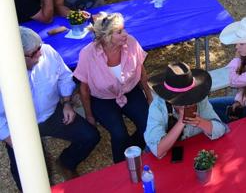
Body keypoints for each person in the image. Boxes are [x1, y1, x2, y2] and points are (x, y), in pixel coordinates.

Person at [2, 28, 100, 188]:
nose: (40, 54)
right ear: (16, 57)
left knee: (90, 136)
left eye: (39, 48)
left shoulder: (46, 52)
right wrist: (11, 140)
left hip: (52, 114)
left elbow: (64, 76)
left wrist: (67, 103)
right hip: (19, 128)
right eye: (34, 53)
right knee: (26, 174)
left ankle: (66, 162)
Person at [73, 13, 151, 163]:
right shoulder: (88, 54)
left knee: (148, 125)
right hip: (103, 99)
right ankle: (121, 167)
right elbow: (84, 89)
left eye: (124, 29)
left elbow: (142, 72)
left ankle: (131, 150)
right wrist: (89, 115)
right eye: (119, 32)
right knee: (119, 134)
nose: (126, 34)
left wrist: (149, 96)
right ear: (106, 37)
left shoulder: (131, 42)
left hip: (130, 91)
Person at [144, 62, 228, 158]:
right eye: (183, 100)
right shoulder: (157, 108)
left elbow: (221, 129)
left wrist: (200, 122)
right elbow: (158, 150)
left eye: (190, 97)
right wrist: (181, 122)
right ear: (170, 98)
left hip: (192, 151)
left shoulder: (199, 99)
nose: (189, 102)